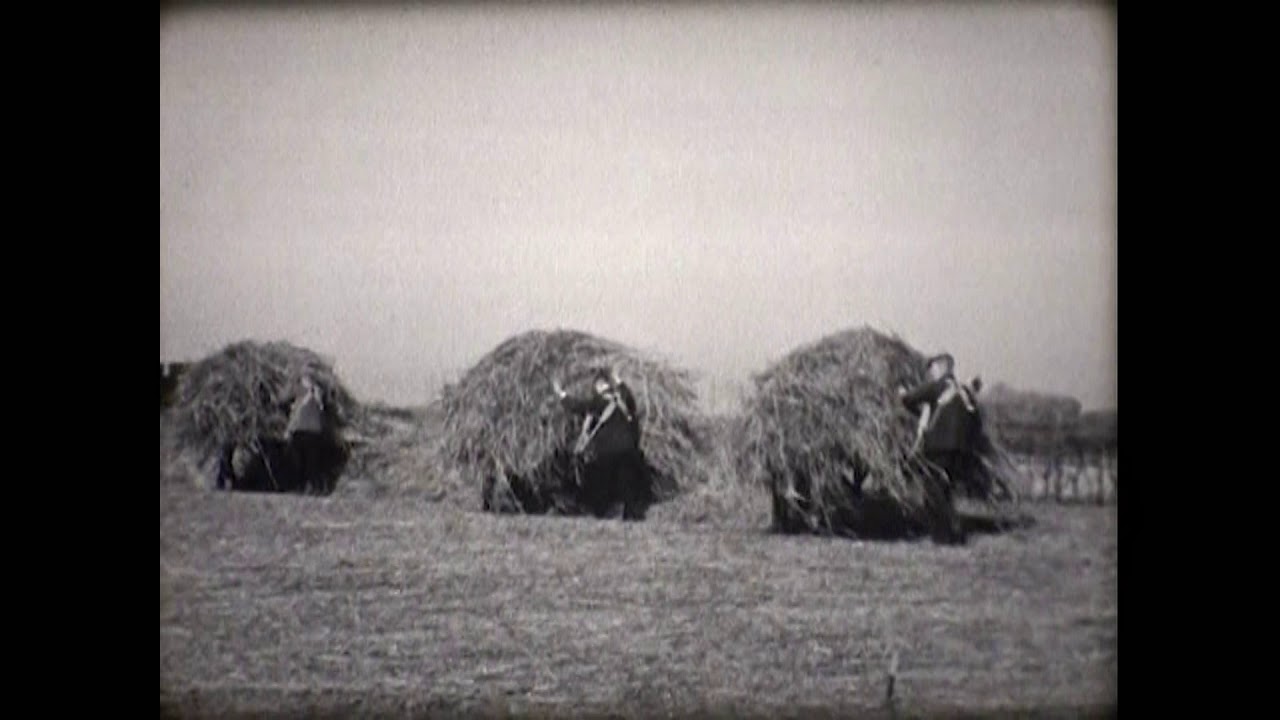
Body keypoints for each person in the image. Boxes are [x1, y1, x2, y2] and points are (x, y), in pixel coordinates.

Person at [899, 353, 981, 544]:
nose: (931, 372)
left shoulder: (939, 386)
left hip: (938, 446)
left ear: (942, 368)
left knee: (933, 490)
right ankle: (946, 535)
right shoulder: (964, 391)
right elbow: (976, 420)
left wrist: (902, 393)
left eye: (933, 368)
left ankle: (949, 533)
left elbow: (910, 399)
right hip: (960, 450)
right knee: (945, 489)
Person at [552, 367, 649, 520]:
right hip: (628, 449)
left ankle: (603, 512)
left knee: (603, 483)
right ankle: (632, 515)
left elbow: (578, 406)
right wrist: (619, 380)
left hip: (608, 451)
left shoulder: (599, 402)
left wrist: (561, 395)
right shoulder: (622, 400)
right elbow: (630, 400)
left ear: (599, 387)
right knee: (627, 484)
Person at [286, 374, 328, 494]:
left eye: (305, 381)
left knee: (311, 462)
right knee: (299, 462)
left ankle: (312, 487)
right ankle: (302, 486)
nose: (302, 384)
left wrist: (313, 391)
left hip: (311, 432)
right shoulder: (298, 398)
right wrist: (289, 430)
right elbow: (294, 415)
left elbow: (320, 406)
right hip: (299, 431)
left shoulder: (315, 394)